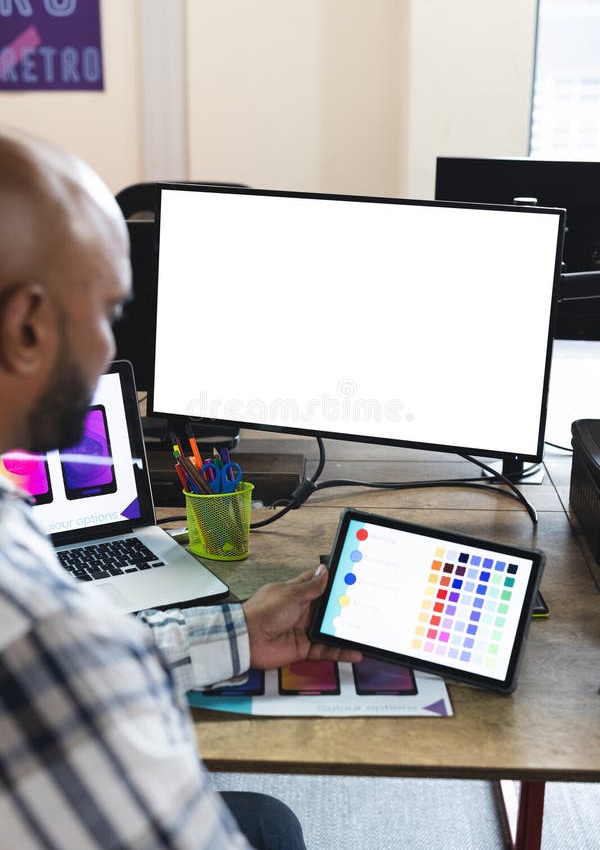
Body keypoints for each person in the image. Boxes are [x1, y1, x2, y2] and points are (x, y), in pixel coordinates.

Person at [0, 127, 361, 849]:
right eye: (109, 312)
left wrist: (236, 631)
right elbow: (75, 677)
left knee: (269, 817)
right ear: (28, 328)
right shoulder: (44, 643)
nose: (115, 346)